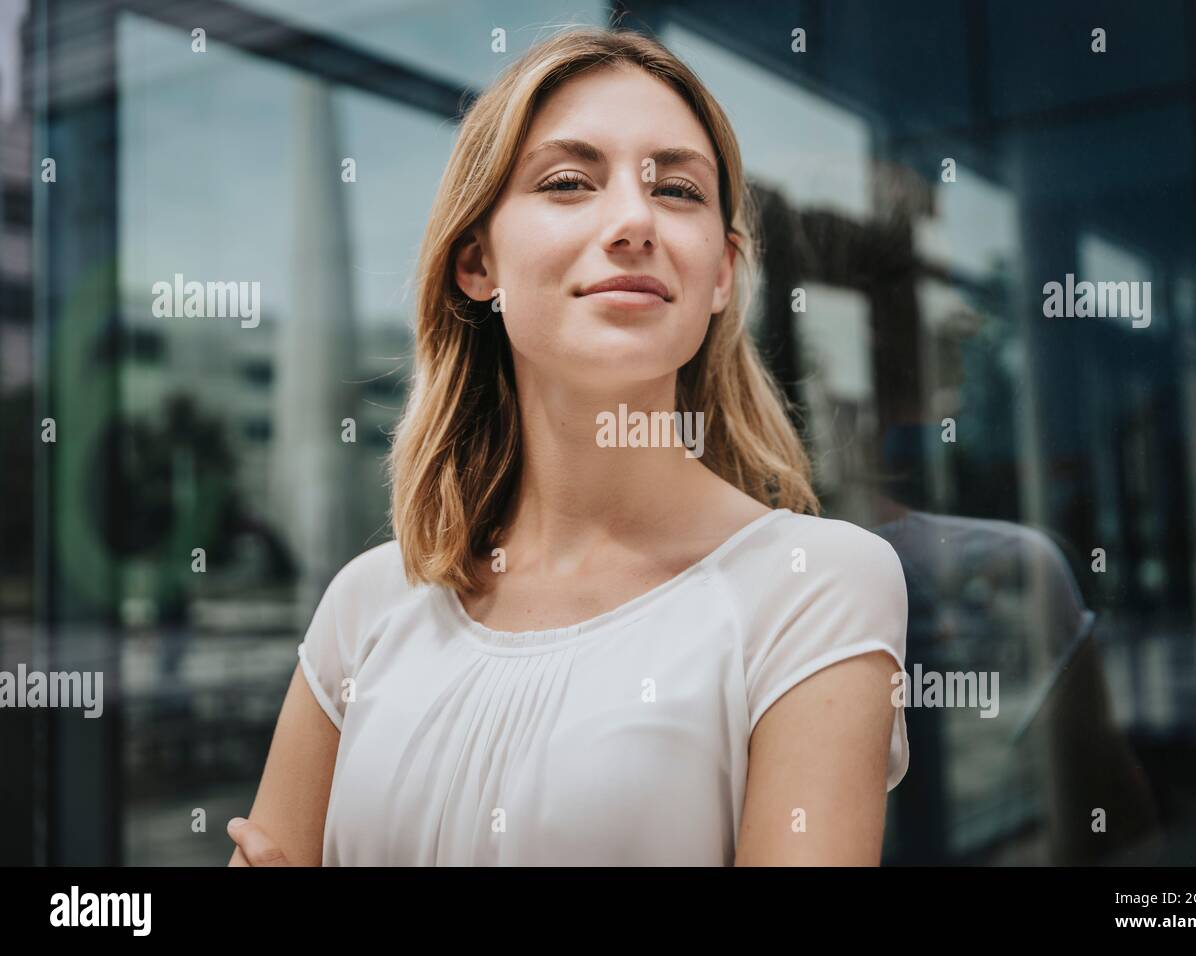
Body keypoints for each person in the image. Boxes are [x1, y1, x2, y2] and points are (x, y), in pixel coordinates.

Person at [226, 26, 908, 867]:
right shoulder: (369, 605)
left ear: (723, 273)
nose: (632, 221)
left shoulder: (814, 587)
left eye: (680, 192)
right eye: (568, 182)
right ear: (476, 262)